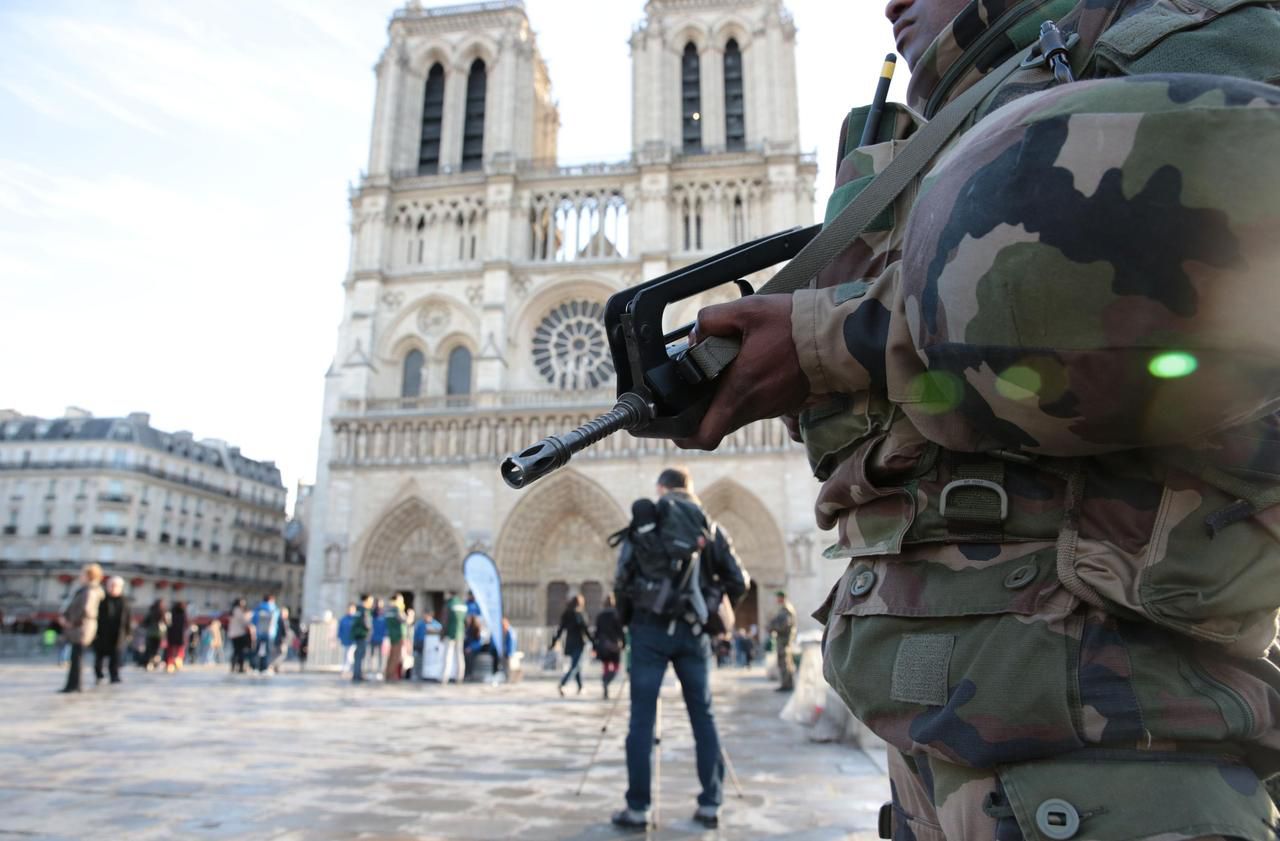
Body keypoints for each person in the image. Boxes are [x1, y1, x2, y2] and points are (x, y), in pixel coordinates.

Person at [666, 0, 1280, 833]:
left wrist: (833, 338)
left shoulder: (1184, 34)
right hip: (951, 725)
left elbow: (1173, 284)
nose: (890, 3)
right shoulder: (949, 122)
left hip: (1125, 741)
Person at [611, 468, 748, 829]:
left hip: (647, 631)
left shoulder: (646, 524)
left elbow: (621, 577)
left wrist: (629, 621)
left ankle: (637, 808)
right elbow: (740, 580)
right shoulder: (709, 526)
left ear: (661, 489)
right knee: (703, 717)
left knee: (641, 719)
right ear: (690, 490)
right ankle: (710, 805)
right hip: (693, 632)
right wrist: (712, 610)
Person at [59, 563, 105, 693]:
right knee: (76, 657)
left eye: (82, 574)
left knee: (77, 657)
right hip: (80, 627)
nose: (80, 576)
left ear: (89, 576)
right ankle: (72, 684)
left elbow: (87, 610)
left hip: (81, 628)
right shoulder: (87, 590)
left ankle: (75, 685)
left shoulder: (90, 591)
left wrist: (71, 623)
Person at [550, 594, 593, 697]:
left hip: (569, 643)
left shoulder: (566, 614)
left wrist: (554, 642)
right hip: (579, 643)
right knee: (575, 666)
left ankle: (580, 687)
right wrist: (593, 641)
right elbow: (585, 629)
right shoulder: (579, 614)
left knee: (577, 665)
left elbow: (560, 630)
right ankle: (563, 684)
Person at [93, 576, 132, 684]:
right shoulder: (102, 600)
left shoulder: (124, 601)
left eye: (115, 586)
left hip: (118, 634)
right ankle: (99, 674)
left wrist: (128, 633)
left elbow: (128, 618)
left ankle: (114, 675)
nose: (113, 588)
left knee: (116, 657)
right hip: (102, 633)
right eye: (111, 585)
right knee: (99, 656)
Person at [593, 594, 625, 699]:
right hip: (614, 644)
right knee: (616, 666)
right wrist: (623, 642)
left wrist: (595, 646)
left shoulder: (600, 615)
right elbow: (620, 630)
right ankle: (607, 680)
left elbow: (596, 632)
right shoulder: (616, 614)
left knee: (606, 665)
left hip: (603, 644)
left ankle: (605, 681)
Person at [768, 591, 796, 692]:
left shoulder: (787, 609)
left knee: (785, 662)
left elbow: (785, 625)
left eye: (778, 598)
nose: (777, 600)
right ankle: (785, 683)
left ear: (782, 598)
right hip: (782, 639)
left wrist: (773, 627)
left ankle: (787, 685)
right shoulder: (783, 609)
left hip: (784, 640)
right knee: (783, 662)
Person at [441, 591, 467, 685]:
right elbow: (466, 621)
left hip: (450, 634)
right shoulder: (463, 605)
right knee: (459, 656)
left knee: (447, 656)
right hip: (460, 634)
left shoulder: (449, 604)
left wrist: (442, 634)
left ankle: (444, 678)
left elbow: (445, 621)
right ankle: (460, 677)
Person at [251, 594, 279, 674]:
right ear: (270, 600)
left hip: (258, 632)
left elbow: (254, 620)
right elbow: (275, 621)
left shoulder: (258, 608)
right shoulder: (274, 609)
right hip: (270, 633)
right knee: (268, 651)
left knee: (256, 651)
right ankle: (265, 668)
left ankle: (255, 667)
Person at [351, 593, 373, 683]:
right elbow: (367, 623)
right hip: (362, 634)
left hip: (356, 634)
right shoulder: (365, 610)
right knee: (360, 655)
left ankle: (356, 673)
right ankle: (358, 674)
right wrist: (369, 629)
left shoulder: (357, 609)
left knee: (357, 655)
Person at [384, 594, 405, 682]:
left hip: (390, 635)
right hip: (397, 635)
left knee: (390, 656)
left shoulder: (387, 610)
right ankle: (392, 675)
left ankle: (387, 674)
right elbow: (402, 620)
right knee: (395, 656)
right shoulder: (396, 609)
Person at [228, 598, 252, 674]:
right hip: (239, 633)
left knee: (236, 651)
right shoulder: (238, 610)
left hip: (233, 634)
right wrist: (248, 616)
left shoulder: (233, 611)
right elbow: (244, 621)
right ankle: (239, 667)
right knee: (239, 651)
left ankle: (234, 666)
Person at [142, 599, 167, 670]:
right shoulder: (163, 612)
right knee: (157, 650)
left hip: (150, 633)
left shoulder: (151, 611)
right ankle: (154, 662)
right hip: (159, 634)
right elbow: (167, 623)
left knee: (150, 649)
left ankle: (150, 663)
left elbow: (145, 622)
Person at [164, 601, 188, 672]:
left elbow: (167, 623)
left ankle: (171, 664)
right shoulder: (183, 614)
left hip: (171, 634)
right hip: (179, 635)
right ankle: (176, 662)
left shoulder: (171, 613)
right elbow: (186, 624)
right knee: (179, 650)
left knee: (171, 651)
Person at [369, 599, 387, 679]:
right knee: (372, 655)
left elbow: (385, 629)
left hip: (381, 639)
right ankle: (371, 670)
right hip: (373, 638)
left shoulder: (384, 618)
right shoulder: (373, 616)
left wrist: (385, 637)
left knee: (380, 655)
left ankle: (379, 671)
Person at [337, 603, 356, 676]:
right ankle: (347, 669)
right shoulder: (344, 619)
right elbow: (340, 629)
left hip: (353, 641)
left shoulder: (355, 619)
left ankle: (348, 669)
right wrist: (339, 637)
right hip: (345, 640)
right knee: (346, 655)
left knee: (350, 655)